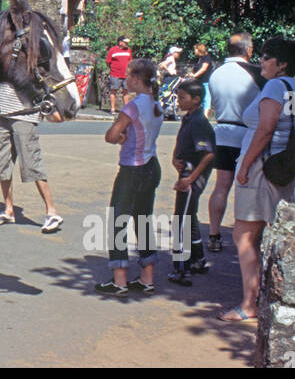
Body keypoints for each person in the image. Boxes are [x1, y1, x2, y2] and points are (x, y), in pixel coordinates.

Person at [219, 37, 295, 323]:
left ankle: (250, 304)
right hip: (286, 164)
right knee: (270, 232)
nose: (261, 60)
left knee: (244, 235)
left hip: (261, 168)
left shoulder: (273, 86)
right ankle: (268, 296)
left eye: (267, 56)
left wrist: (245, 166)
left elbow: (266, 128)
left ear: (281, 64)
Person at [97, 58, 163, 296]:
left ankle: (120, 280)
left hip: (132, 168)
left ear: (136, 78)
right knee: (144, 220)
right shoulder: (156, 104)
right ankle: (147, 277)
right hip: (151, 165)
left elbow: (111, 135)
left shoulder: (132, 107)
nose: (125, 79)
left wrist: (120, 137)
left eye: (128, 75)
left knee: (118, 222)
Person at [205, 32, 262, 253]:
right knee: (246, 187)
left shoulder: (216, 73)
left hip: (221, 131)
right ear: (248, 50)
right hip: (247, 134)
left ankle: (214, 234)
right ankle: (244, 237)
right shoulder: (256, 73)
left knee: (221, 186)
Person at [0, 80, 64, 233]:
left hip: (25, 116)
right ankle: (8, 210)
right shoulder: (4, 59)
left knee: (31, 164)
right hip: (3, 115)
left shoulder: (28, 60)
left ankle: (52, 212)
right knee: (1, 163)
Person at [168, 79, 215, 285]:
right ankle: (198, 259)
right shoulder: (189, 118)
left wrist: (190, 179)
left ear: (196, 100)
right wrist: (175, 158)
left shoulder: (198, 122)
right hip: (186, 172)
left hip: (191, 177)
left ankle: (182, 269)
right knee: (189, 217)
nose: (179, 101)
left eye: (182, 98)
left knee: (181, 222)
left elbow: (208, 155)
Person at [186, 43, 218, 118]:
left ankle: (205, 115)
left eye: (195, 49)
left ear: (199, 49)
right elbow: (196, 69)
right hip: (199, 82)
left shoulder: (207, 57)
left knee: (206, 98)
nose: (194, 51)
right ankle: (198, 113)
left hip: (205, 81)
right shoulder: (199, 59)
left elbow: (203, 68)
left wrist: (194, 75)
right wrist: (191, 74)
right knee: (199, 98)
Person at [104, 36, 132, 113]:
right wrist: (114, 69)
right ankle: (112, 109)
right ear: (120, 42)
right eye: (125, 42)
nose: (127, 44)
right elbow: (108, 62)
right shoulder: (112, 50)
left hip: (126, 75)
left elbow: (130, 61)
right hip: (115, 74)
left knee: (126, 91)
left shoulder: (128, 50)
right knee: (113, 91)